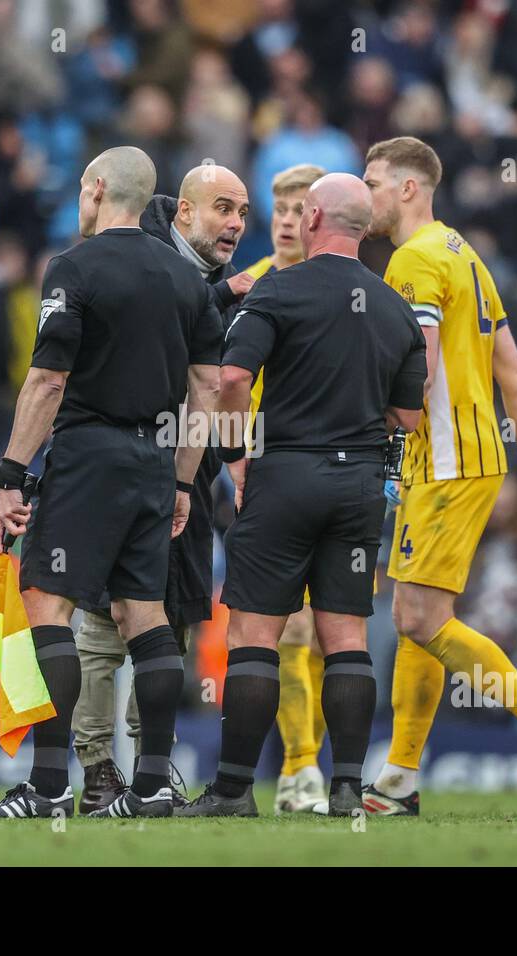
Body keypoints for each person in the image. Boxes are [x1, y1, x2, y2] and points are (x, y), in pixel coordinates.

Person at [0, 147, 222, 820]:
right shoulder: (186, 277)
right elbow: (208, 389)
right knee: (145, 614)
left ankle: (48, 790)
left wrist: (10, 473)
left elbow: (47, 381)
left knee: (49, 608)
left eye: (82, 190)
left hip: (87, 456)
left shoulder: (72, 268)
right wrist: (185, 483)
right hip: (155, 463)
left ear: (99, 190)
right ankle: (156, 784)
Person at [359, 136, 517, 818]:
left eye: (374, 181)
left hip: (443, 460)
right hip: (466, 458)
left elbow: (419, 370)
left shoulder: (413, 260)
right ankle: (401, 776)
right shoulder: (463, 252)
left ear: (408, 188)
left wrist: (370, 419)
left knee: (420, 616)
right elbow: (513, 368)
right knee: (415, 615)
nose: (367, 193)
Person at [177, 173, 427, 817]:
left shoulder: (278, 288)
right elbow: (409, 415)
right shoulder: (395, 306)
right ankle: (346, 788)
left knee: (255, 637)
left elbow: (232, 377)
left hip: (284, 476)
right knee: (345, 637)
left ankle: (233, 790)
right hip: (360, 485)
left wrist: (234, 454)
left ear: (313, 217)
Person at [71, 160, 253, 815]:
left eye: (242, 214)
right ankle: (98, 772)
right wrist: (232, 294)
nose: (235, 224)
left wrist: (225, 458)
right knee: (97, 623)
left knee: (168, 621)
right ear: (183, 212)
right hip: (122, 463)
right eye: (223, 210)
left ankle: (149, 769)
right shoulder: (144, 256)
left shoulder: (203, 279)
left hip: (185, 476)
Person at [239, 162, 332, 813]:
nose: (289, 218)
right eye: (280, 207)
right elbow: (223, 384)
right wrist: (235, 458)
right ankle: (302, 771)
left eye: (301, 206)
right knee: (291, 630)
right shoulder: (247, 288)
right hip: (265, 475)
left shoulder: (349, 291)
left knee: (331, 637)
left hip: (337, 476)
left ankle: (307, 765)